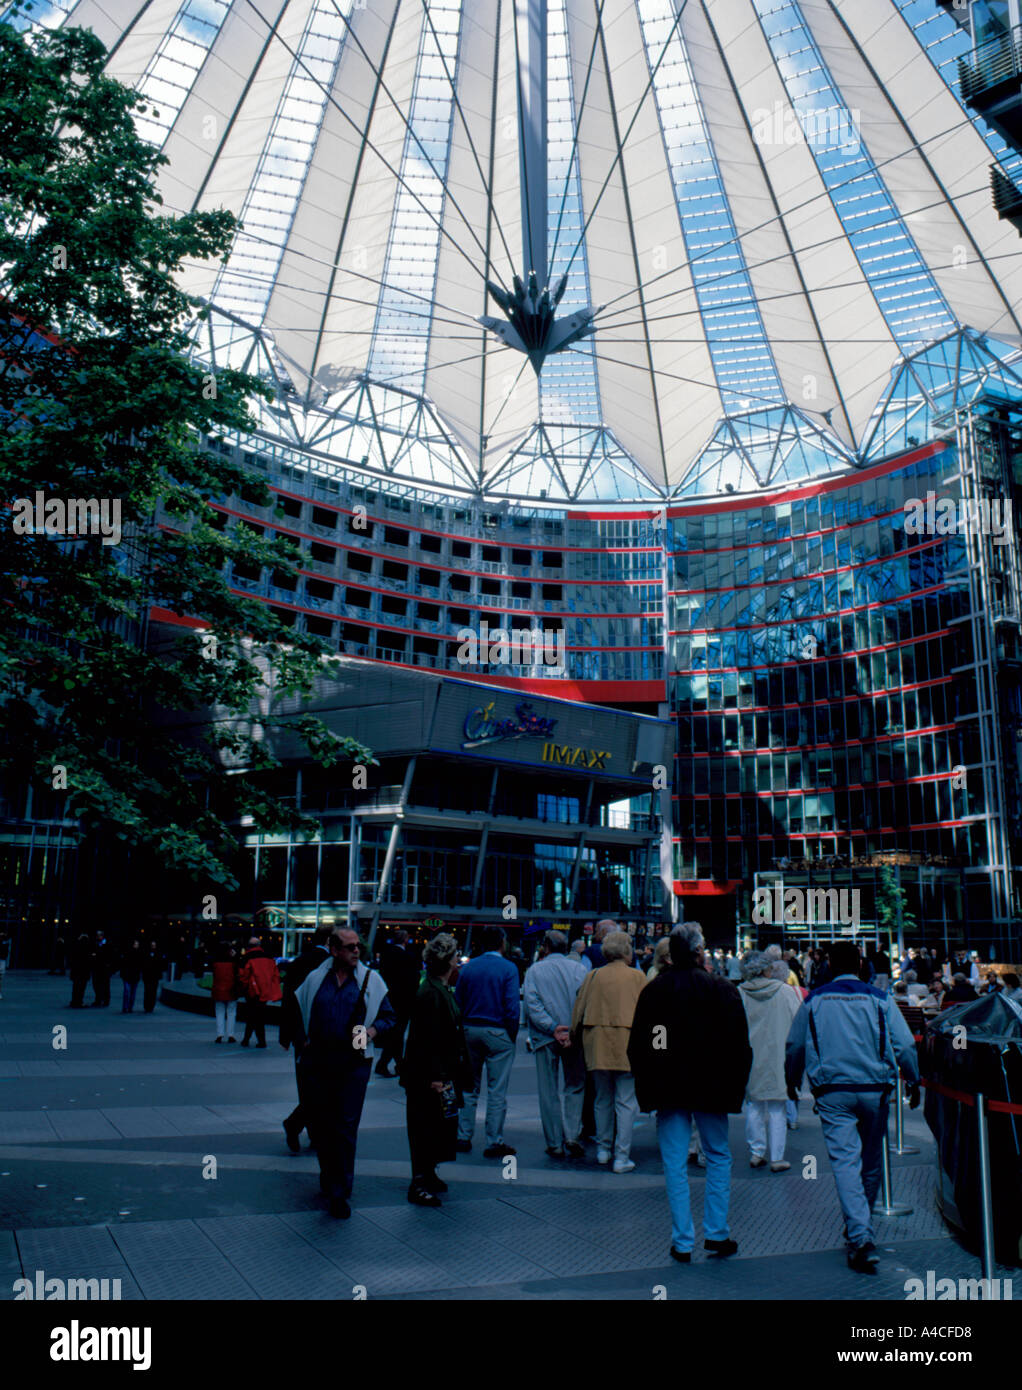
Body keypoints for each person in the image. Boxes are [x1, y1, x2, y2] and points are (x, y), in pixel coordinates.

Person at [785, 939, 920, 1274]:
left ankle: (859, 1235)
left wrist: (792, 1080)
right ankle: (859, 1225)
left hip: (832, 1092)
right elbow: (903, 1045)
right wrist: (914, 1079)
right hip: (875, 1090)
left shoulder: (814, 1000)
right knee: (872, 1162)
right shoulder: (879, 999)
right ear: (861, 965)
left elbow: (795, 1045)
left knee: (845, 1162)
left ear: (828, 966)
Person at [628, 922, 753, 1262]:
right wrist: (733, 1087)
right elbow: (737, 1046)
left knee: (674, 1162)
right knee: (718, 1155)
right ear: (698, 952)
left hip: (669, 1086)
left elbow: (649, 1042)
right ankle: (716, 1233)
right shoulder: (722, 989)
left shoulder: (655, 992)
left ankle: (682, 1240)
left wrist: (653, 1078)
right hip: (712, 1087)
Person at [292, 928, 396, 1218]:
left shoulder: (369, 980)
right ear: (335, 950)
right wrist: (303, 1041)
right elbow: (298, 1009)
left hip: (353, 1064)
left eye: (358, 947)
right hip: (319, 1061)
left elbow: (389, 1017)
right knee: (322, 1125)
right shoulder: (316, 979)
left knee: (345, 1127)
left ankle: (340, 1191)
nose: (356, 951)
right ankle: (328, 1176)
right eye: (349, 947)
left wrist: (370, 1033)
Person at [402, 933, 473, 1207]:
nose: (458, 959)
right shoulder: (432, 993)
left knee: (435, 1126)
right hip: (431, 1075)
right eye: (455, 955)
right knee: (425, 1127)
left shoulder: (436, 988)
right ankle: (419, 1181)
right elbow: (428, 1038)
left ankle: (428, 1174)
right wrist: (436, 1077)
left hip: (437, 1072)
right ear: (447, 960)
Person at [570, 930, 646, 1173]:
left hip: (597, 1042)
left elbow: (578, 1011)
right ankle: (622, 1156)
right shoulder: (637, 977)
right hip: (628, 1042)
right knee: (625, 1101)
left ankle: (603, 1149)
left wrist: (573, 1037)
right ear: (627, 951)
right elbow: (649, 1012)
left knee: (602, 1098)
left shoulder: (593, 976)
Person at [454, 924, 520, 1159]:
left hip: (470, 1029)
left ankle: (463, 1136)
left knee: (468, 1087)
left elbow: (457, 1001)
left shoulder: (468, 968)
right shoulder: (508, 968)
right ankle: (494, 1140)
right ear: (502, 943)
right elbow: (512, 1007)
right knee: (496, 1089)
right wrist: (510, 1035)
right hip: (497, 1030)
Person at [523, 929, 587, 1159]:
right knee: (575, 1084)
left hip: (546, 1036)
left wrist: (552, 1027)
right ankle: (572, 1134)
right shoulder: (580, 969)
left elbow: (532, 1004)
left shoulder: (535, 970)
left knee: (548, 1090)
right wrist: (571, 1029)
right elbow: (584, 1002)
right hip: (574, 1036)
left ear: (546, 947)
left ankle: (554, 1142)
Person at [739, 953, 801, 1172]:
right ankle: (777, 1157)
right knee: (777, 1106)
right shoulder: (785, 992)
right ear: (767, 969)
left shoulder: (740, 993)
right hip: (780, 1056)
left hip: (750, 1056)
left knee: (754, 1105)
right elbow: (798, 1021)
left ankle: (756, 1152)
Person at [279, 929, 331, 1150]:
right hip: (323, 1033)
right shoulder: (329, 964)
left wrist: (286, 1033)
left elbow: (288, 999)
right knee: (326, 1085)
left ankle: (309, 1128)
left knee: (307, 1082)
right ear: (329, 941)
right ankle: (301, 1125)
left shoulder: (299, 961)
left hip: (301, 1033)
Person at [375, 929, 420, 1078]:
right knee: (397, 1033)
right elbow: (412, 981)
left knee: (394, 1034)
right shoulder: (407, 957)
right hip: (403, 1000)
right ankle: (388, 1064)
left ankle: (395, 1064)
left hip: (388, 998)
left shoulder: (385, 955)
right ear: (405, 940)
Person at [239, 937, 282, 1047]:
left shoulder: (247, 957)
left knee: (251, 1015)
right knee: (259, 1015)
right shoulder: (268, 957)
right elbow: (275, 974)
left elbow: (243, 975)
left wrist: (243, 987)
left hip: (252, 990)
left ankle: (248, 1039)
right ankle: (259, 1040)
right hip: (265, 990)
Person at [210, 941, 241, 1043]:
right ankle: (230, 1034)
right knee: (231, 1012)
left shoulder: (215, 961)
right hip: (231, 989)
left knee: (219, 1012)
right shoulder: (233, 961)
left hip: (218, 989)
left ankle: (220, 1034)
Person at [68, 933, 93, 1009]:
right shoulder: (87, 949)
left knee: (76, 987)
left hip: (76, 971)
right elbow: (89, 961)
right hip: (83, 971)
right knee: (81, 987)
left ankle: (74, 1001)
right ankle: (79, 1001)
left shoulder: (76, 947)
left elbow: (72, 959)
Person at [119, 938, 144, 1014]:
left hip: (134, 976)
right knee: (127, 992)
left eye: (137, 944)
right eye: (135, 944)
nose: (136, 946)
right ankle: (126, 1007)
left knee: (131, 993)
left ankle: (129, 1007)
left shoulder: (139, 954)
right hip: (128, 975)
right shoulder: (128, 953)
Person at [141, 938, 164, 1013]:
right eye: (152, 945)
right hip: (148, 976)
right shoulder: (146, 954)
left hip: (154, 976)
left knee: (153, 991)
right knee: (147, 991)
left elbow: (160, 965)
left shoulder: (158, 954)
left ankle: (151, 1005)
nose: (153, 946)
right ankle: (147, 1005)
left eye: (154, 945)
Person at [91, 930, 112, 1007]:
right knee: (96, 984)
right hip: (97, 967)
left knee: (105, 985)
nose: (98, 937)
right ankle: (98, 999)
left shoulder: (107, 944)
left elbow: (110, 955)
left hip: (104, 967)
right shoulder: (96, 944)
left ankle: (106, 1000)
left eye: (99, 935)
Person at [0, 930, 9, 998]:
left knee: (1, 975)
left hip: (2, 959)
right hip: (2, 959)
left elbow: (5, 950)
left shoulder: (5, 940)